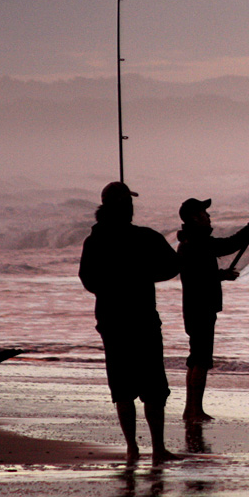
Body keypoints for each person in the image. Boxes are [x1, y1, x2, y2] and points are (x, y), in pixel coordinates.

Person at [79, 182, 181, 464]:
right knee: (154, 387)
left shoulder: (94, 241)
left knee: (121, 387)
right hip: (142, 319)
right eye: (129, 203)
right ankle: (158, 449)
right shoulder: (145, 237)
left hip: (111, 321)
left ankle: (132, 448)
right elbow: (173, 266)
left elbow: (88, 280)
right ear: (126, 207)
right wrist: (143, 275)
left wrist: (112, 286)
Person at [176, 197, 249, 422]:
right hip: (201, 308)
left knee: (196, 359)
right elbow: (230, 244)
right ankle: (195, 410)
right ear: (195, 218)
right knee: (201, 360)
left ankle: (191, 409)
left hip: (195, 306)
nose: (209, 216)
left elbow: (198, 275)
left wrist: (221, 275)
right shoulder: (197, 241)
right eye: (204, 213)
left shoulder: (190, 241)